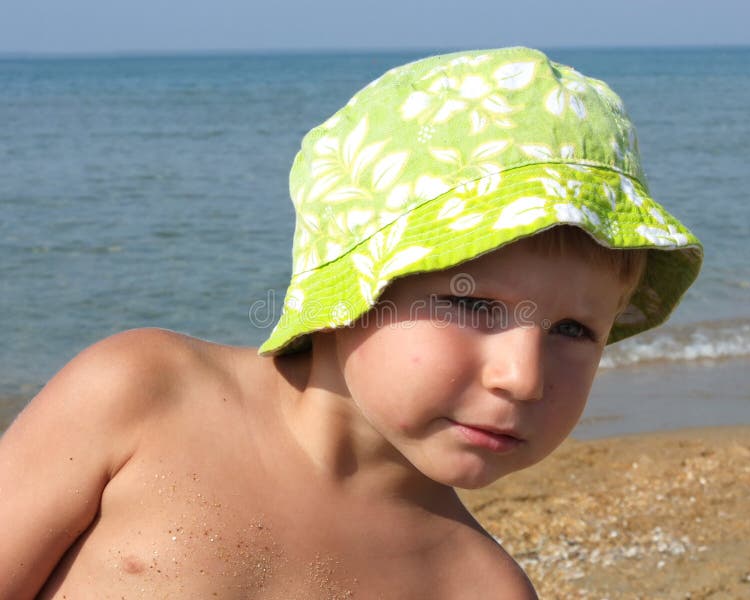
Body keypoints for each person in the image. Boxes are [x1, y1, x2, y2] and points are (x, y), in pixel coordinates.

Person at [0, 46, 702, 599]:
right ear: (349, 282)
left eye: (575, 330)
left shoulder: (475, 585)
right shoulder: (144, 396)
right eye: (472, 305)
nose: (524, 377)